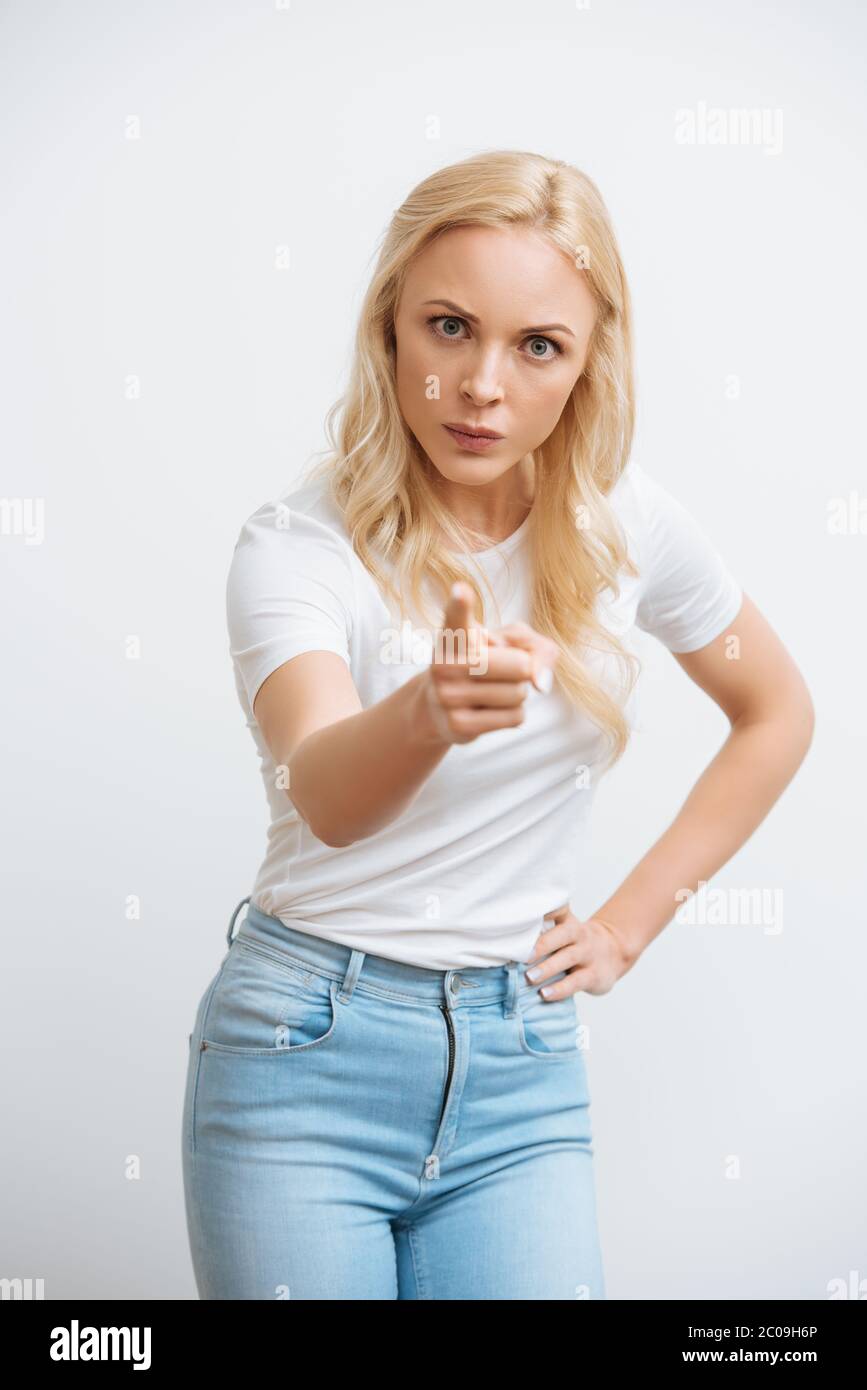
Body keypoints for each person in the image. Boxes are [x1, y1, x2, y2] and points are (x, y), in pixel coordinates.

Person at [181, 149, 814, 1300]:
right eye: (449, 327)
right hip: (302, 1060)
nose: (483, 386)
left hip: (522, 1071)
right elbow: (324, 789)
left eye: (537, 346)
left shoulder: (628, 526)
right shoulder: (296, 545)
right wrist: (427, 713)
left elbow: (775, 711)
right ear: (390, 333)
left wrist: (626, 925)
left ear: (585, 366)